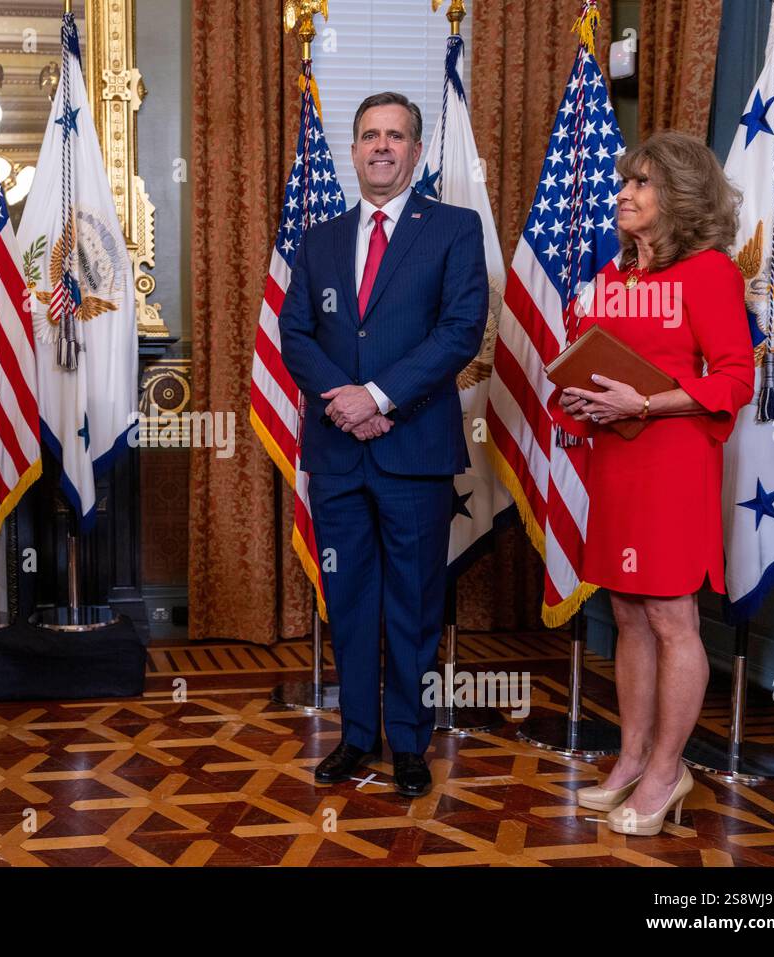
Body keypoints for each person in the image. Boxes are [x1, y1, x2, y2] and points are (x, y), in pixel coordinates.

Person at [279, 92, 489, 797]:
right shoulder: (320, 239)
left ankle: (408, 742)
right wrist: (347, 402)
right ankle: (356, 737)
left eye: (396, 135)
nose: (381, 146)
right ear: (355, 148)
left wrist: (379, 397)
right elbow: (296, 335)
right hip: (338, 451)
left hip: (415, 451)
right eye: (370, 134)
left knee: (413, 603)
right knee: (348, 598)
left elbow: (460, 332)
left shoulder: (454, 230)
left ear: (417, 152)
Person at [551, 131, 754, 836]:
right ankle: (633, 755)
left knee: (672, 617)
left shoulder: (710, 273)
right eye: (624, 183)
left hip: (673, 464)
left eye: (641, 184)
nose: (624, 196)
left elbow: (734, 377)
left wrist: (643, 404)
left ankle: (670, 768)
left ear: (679, 197)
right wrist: (580, 398)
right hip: (616, 462)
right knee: (628, 613)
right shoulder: (614, 277)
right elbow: (580, 364)